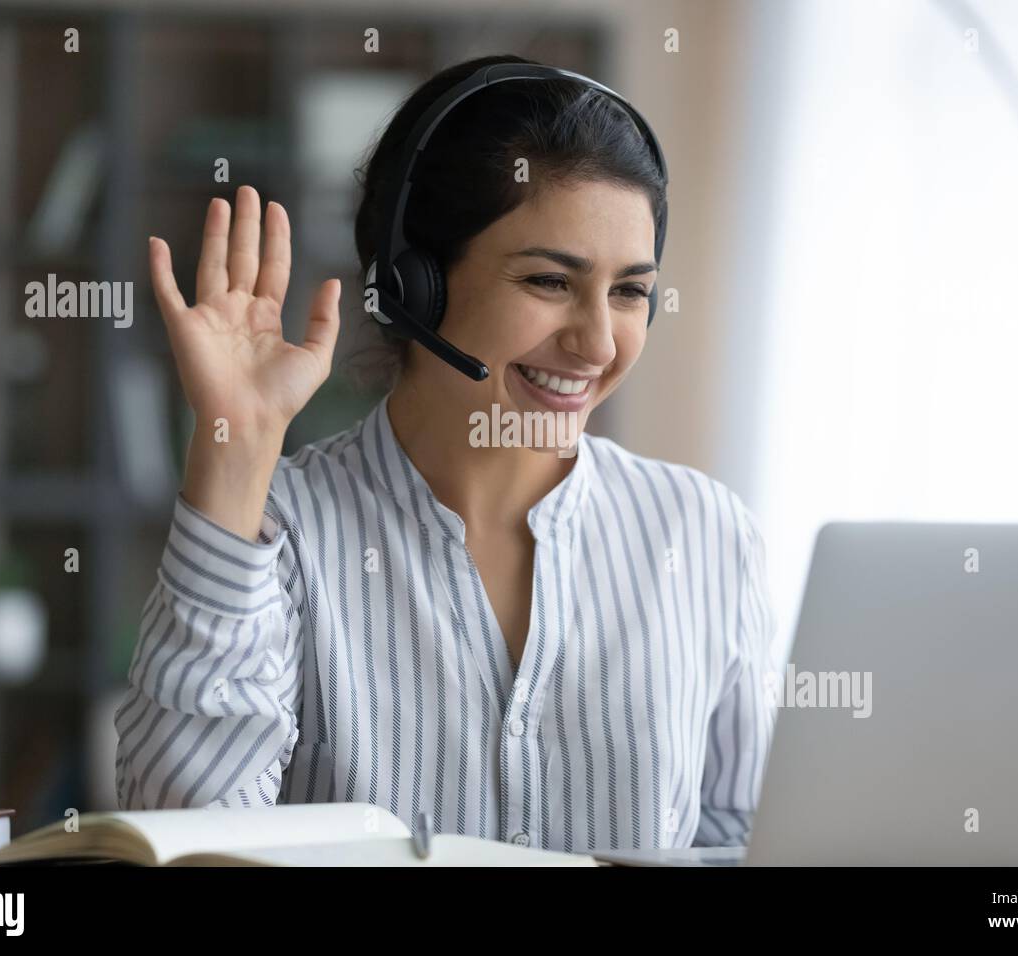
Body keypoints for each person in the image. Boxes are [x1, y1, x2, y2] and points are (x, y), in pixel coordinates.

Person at [114, 54, 778, 853]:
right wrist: (237, 451)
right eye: (549, 281)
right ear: (413, 287)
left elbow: (749, 840)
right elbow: (194, 835)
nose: (598, 342)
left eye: (630, 291)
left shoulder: (704, 535)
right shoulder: (279, 530)